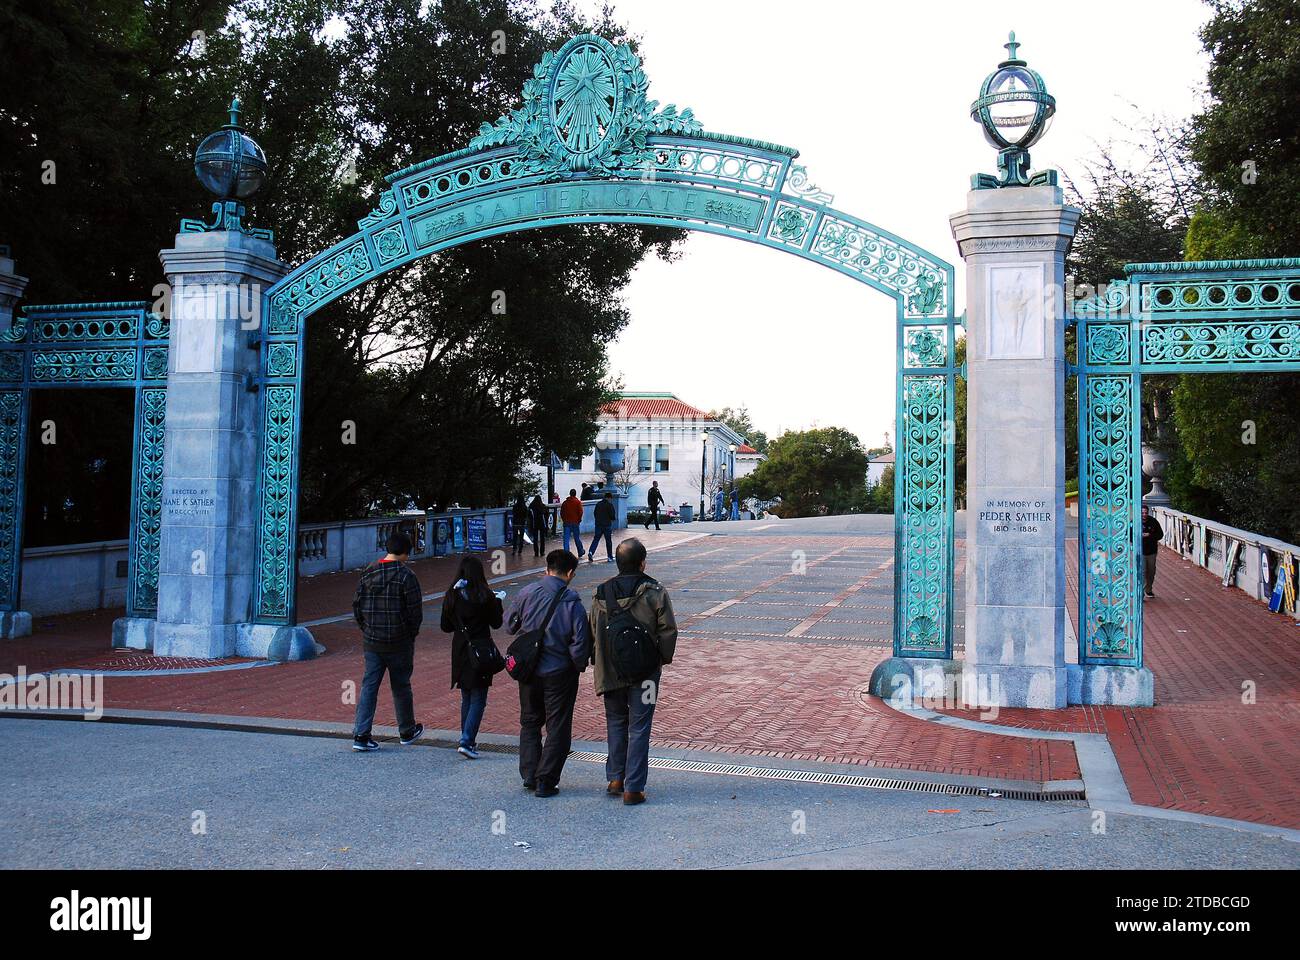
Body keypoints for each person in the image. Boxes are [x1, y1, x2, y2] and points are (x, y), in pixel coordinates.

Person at [588, 537, 678, 806]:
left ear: (618, 562)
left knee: (615, 722)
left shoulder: (601, 593)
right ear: (642, 563)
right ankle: (634, 788)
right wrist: (661, 659)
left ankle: (615, 778)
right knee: (639, 727)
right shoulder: (655, 591)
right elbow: (669, 631)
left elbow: (593, 630)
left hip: (610, 670)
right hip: (646, 675)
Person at [505, 550, 591, 796]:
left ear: (547, 569)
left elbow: (509, 625)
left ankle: (530, 775)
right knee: (558, 726)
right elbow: (579, 643)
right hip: (560, 673)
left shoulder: (526, 592)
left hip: (529, 671)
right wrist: (577, 665)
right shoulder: (572, 602)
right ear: (571, 573)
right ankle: (546, 780)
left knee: (530, 721)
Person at [350, 531, 426, 751]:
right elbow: (415, 612)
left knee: (369, 687)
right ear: (404, 552)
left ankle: (361, 734)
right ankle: (406, 730)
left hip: (372, 640)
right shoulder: (407, 576)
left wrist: (367, 629)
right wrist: (411, 634)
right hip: (399, 641)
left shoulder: (368, 572)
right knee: (401, 685)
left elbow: (357, 606)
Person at [440, 555, 504, 759]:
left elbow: (445, 626)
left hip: (460, 650)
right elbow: (496, 623)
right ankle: (467, 741)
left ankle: (466, 738)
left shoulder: (453, 595)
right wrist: (498, 602)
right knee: (478, 698)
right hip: (481, 650)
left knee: (466, 695)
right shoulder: (486, 596)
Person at [1142, 505, 1164, 598]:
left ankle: (1148, 590)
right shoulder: (1135, 522)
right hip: (1140, 551)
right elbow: (1129, 535)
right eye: (1142, 513)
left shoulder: (1153, 521)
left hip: (1151, 551)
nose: (1144, 515)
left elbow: (1160, 535)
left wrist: (1149, 535)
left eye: (1146, 513)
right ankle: (1141, 593)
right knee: (1142, 571)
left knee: (1151, 571)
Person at [587, 491, 616, 564]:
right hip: (607, 525)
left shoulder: (598, 504)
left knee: (596, 539)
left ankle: (591, 552)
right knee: (608, 541)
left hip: (598, 525)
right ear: (609, 498)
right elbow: (612, 516)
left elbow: (595, 513)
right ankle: (609, 557)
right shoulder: (610, 505)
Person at [560, 488, 586, 557]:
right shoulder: (577, 502)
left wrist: (564, 520)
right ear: (575, 494)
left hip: (567, 523)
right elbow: (580, 512)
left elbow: (562, 513)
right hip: (575, 523)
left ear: (570, 494)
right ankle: (580, 551)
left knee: (566, 539)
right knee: (576, 538)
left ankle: (566, 554)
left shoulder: (565, 503)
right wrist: (579, 520)